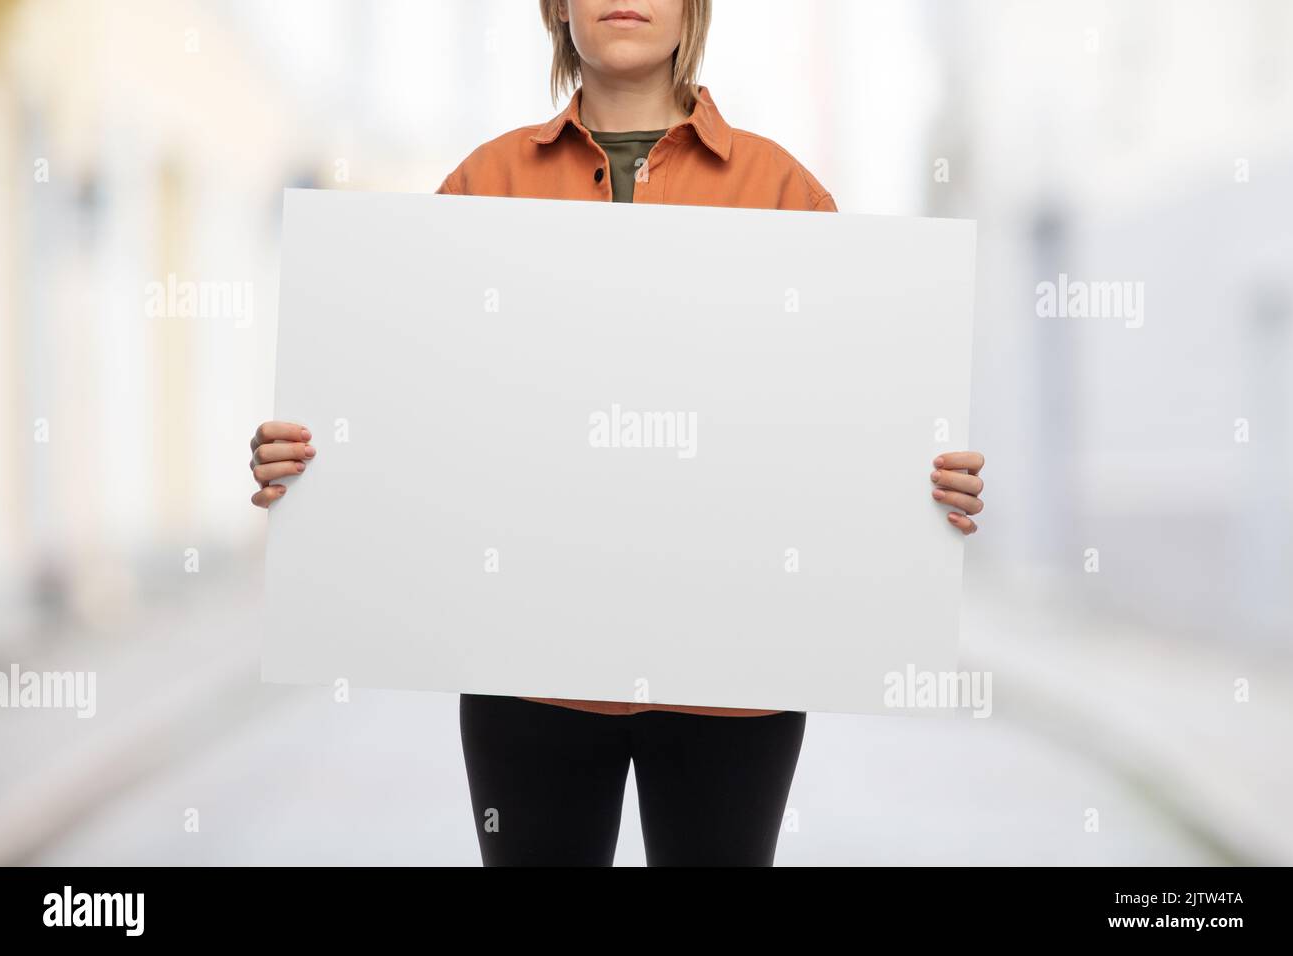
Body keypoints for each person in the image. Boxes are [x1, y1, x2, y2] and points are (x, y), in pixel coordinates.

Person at [249, 0, 987, 866]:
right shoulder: (483, 188)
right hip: (526, 674)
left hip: (737, 678)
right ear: (556, 7)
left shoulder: (786, 195)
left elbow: (844, 429)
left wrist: (928, 480)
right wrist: (304, 460)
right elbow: (410, 415)